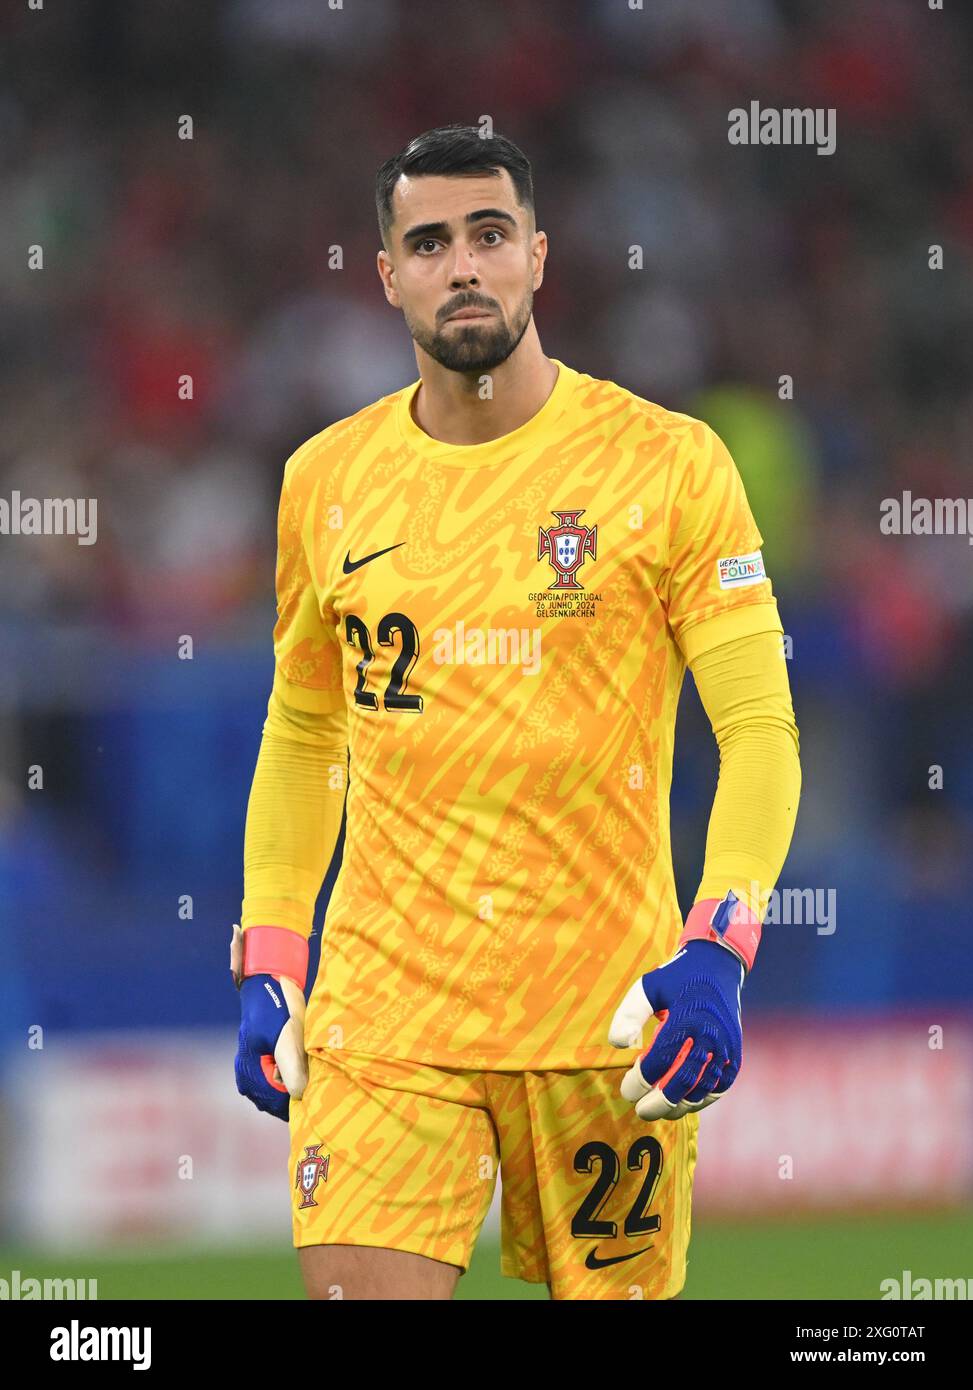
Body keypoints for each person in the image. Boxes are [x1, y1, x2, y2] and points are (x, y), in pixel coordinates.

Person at [232, 124, 801, 1301]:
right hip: (385, 1019)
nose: (465, 266)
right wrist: (271, 950)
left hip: (608, 1017)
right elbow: (304, 731)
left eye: (490, 235)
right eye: (429, 242)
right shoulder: (324, 482)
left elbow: (758, 732)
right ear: (388, 276)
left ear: (539, 258)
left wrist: (720, 943)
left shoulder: (671, 466)